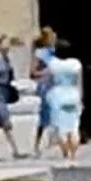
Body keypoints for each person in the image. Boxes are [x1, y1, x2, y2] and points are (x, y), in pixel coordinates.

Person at [45, 41, 84, 167]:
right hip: (72, 94)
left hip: (58, 95)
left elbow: (49, 82)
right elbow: (79, 83)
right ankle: (73, 155)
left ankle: (65, 154)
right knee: (74, 127)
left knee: (61, 128)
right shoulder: (76, 64)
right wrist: (80, 98)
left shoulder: (52, 64)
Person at [30, 27, 58, 158]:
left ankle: (57, 142)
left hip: (53, 86)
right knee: (44, 116)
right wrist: (45, 72)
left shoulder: (52, 53)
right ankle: (37, 144)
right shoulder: (39, 54)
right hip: (44, 87)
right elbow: (32, 72)